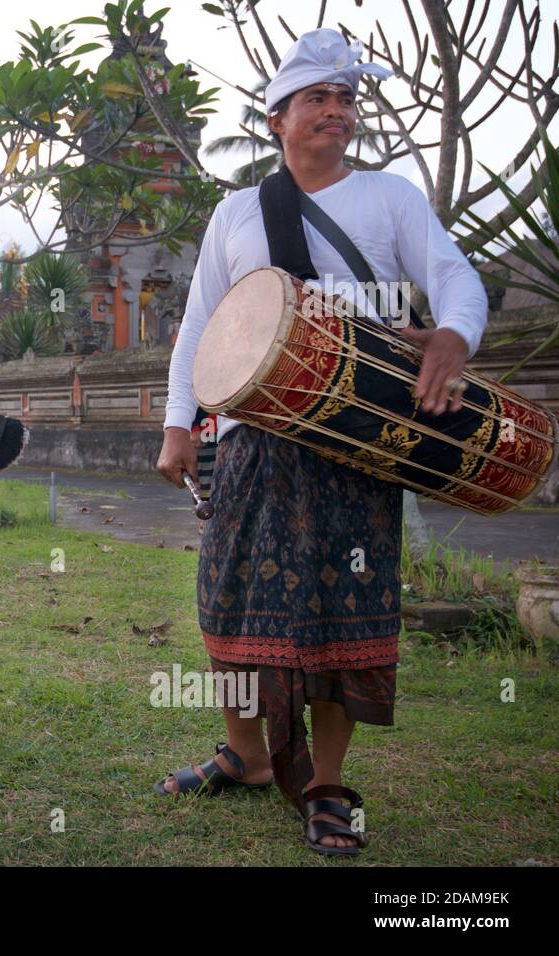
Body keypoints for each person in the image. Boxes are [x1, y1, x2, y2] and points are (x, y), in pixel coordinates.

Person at [154, 28, 487, 856]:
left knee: (347, 616)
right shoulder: (236, 213)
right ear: (276, 118)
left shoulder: (390, 199)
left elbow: (452, 275)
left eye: (346, 100)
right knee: (227, 602)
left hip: (358, 440)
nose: (336, 113)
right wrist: (176, 424)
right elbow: (199, 323)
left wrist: (453, 337)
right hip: (252, 441)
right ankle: (246, 753)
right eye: (317, 99)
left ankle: (328, 784)